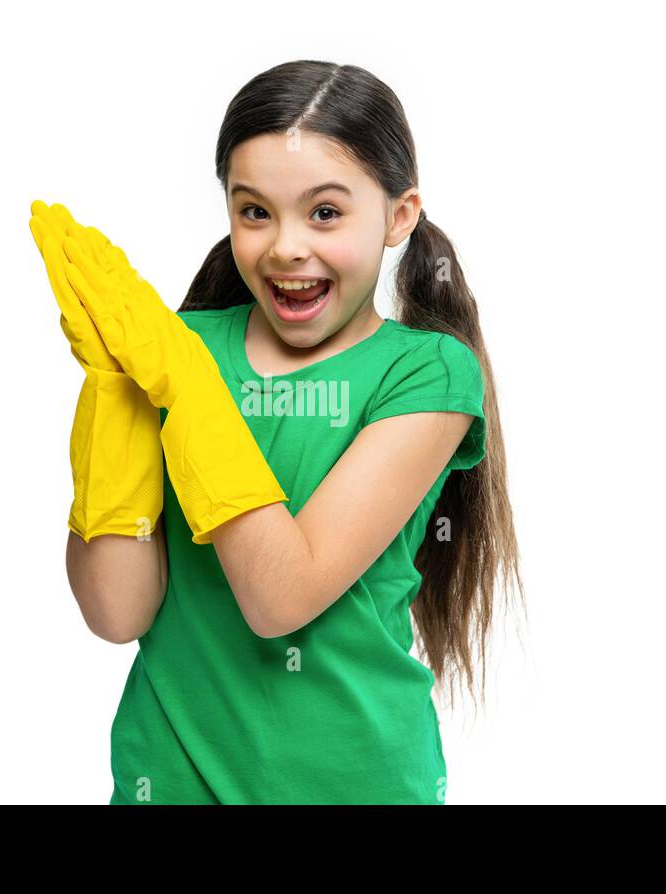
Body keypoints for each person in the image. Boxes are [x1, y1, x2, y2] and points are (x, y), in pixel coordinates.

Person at [30, 60, 525, 805]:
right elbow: (116, 611)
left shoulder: (426, 374)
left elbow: (280, 596)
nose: (286, 246)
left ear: (399, 215)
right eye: (254, 211)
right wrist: (111, 392)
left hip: (356, 786)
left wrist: (188, 388)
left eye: (325, 212)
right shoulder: (171, 351)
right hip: (166, 780)